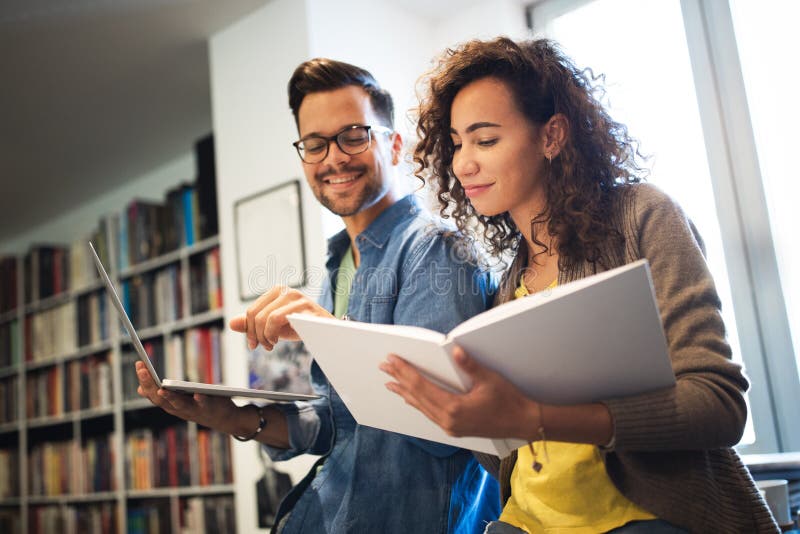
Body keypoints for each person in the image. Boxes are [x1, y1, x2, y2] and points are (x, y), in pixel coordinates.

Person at [380, 37, 778, 533]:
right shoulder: (509, 285)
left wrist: (533, 417)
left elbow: (719, 405)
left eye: (484, 140)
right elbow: (514, 459)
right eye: (458, 143)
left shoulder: (641, 217)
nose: (462, 164)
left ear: (551, 136)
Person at [135, 58, 501, 533]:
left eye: (354, 135)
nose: (333, 158)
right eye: (314, 144)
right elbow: (335, 422)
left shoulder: (436, 249)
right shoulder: (338, 264)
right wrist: (231, 417)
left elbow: (446, 430)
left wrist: (335, 336)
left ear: (392, 145)